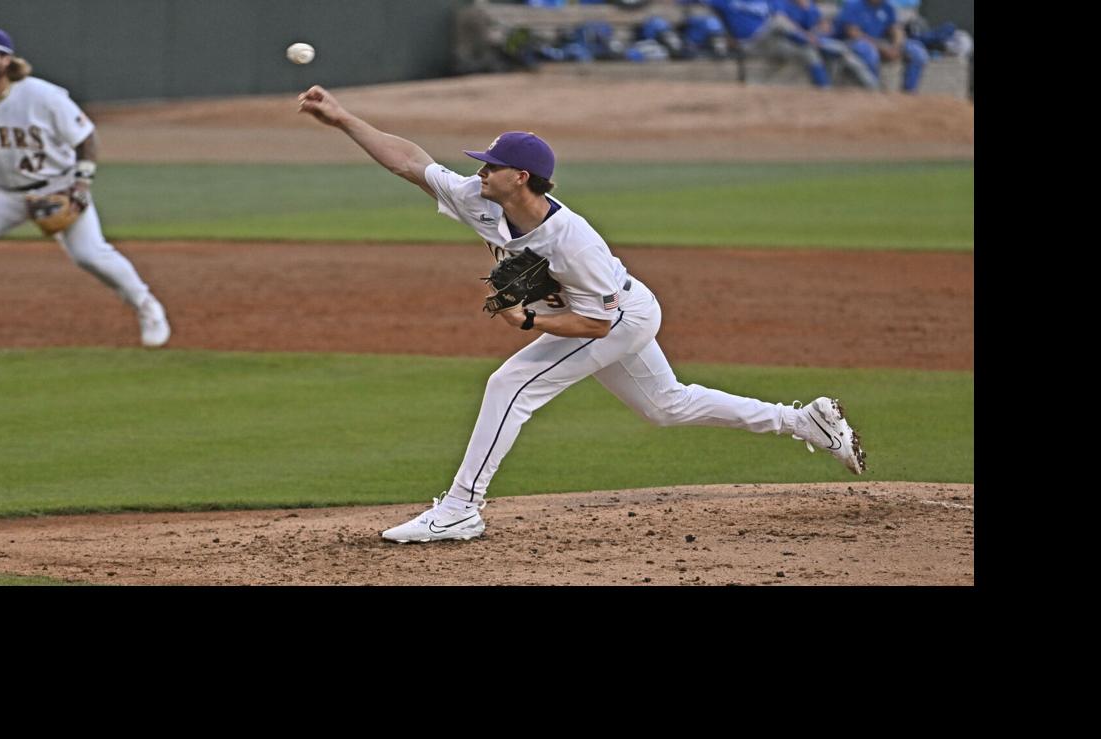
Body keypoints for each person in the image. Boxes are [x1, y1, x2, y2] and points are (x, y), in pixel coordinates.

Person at [294, 85, 866, 544]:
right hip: (609, 313)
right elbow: (411, 164)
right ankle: (805, 421)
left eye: (491, 165)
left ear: (520, 178)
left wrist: (529, 323)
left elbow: (597, 326)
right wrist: (344, 119)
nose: (479, 171)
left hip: (619, 317)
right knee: (667, 406)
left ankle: (461, 509)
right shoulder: (479, 198)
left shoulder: (574, 243)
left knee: (510, 383)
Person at [0, 26, 170, 350]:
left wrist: (81, 185)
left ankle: (147, 307)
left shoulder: (41, 95)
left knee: (89, 255)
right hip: (0, 191)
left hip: (59, 186)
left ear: (6, 60)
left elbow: (86, 140)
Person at [698, 0, 832, 88]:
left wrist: (812, 15)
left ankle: (825, 89)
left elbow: (793, 16)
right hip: (748, 42)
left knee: (807, 52)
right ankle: (812, 40)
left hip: (769, 41)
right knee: (779, 21)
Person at [832, 0, 929, 94]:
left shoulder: (887, 7)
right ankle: (874, 93)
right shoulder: (853, 5)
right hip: (850, 44)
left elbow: (896, 30)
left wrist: (896, 46)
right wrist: (882, 48)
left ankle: (909, 94)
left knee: (916, 50)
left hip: (880, 44)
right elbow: (853, 33)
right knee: (868, 50)